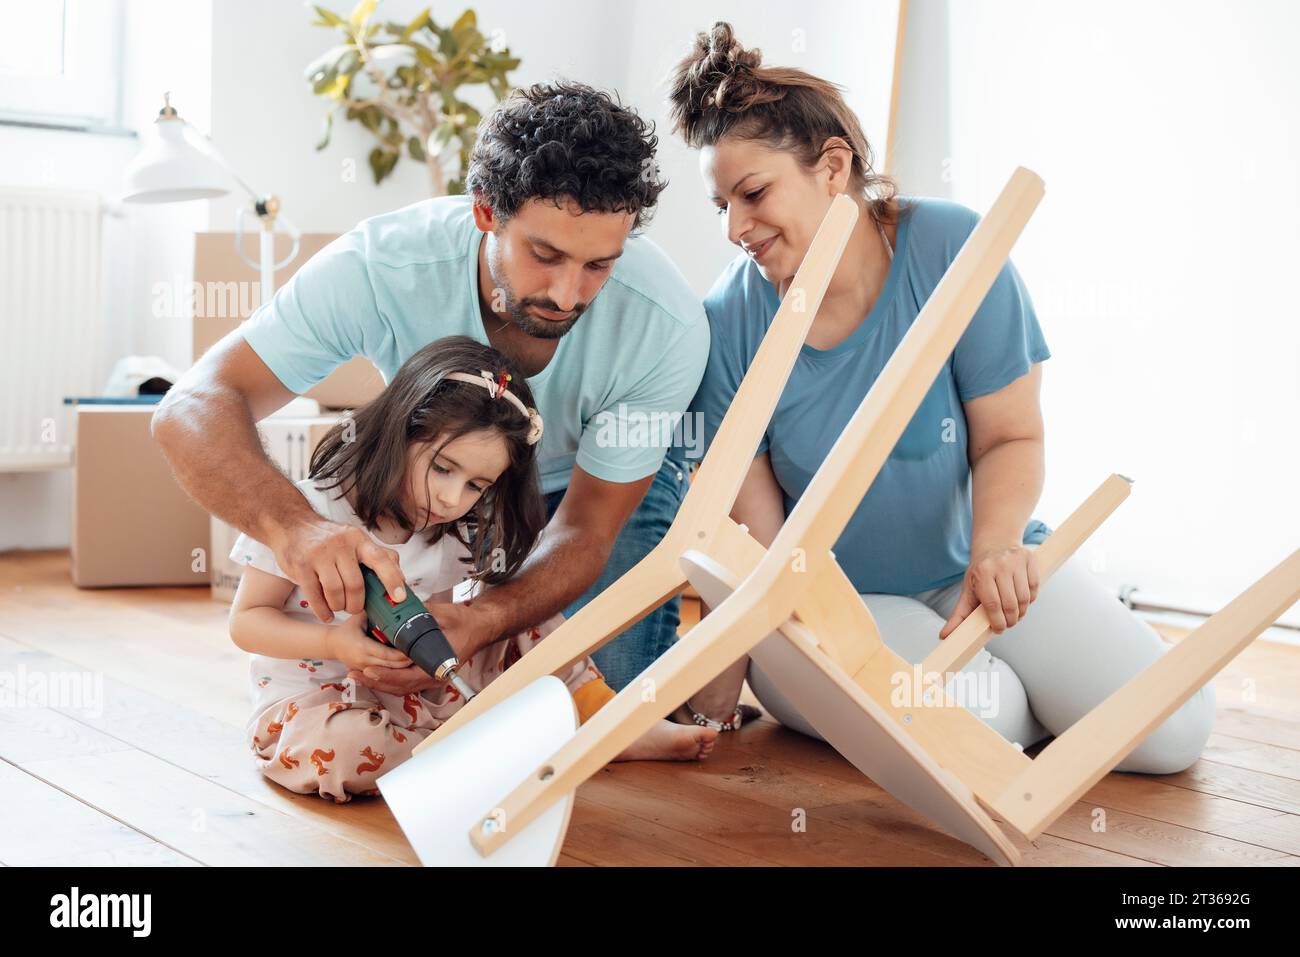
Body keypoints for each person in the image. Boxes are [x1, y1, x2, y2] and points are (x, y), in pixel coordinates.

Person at [665, 22, 1214, 773]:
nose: (734, 227)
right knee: (985, 731)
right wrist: (718, 691)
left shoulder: (953, 249)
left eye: (753, 193)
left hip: (975, 566)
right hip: (844, 608)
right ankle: (1018, 706)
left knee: (1173, 731)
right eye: (720, 205)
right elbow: (764, 550)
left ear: (833, 167)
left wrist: (996, 549)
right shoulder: (729, 323)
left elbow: (1010, 436)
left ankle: (1032, 686)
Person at [154, 82, 710, 695]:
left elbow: (589, 529)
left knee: (613, 702)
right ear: (484, 212)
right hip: (448, 499)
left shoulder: (667, 324)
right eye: (544, 254)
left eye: (599, 265)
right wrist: (296, 529)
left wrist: (483, 618)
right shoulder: (380, 267)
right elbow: (191, 404)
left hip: (590, 487)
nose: (567, 294)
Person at [228, 338, 717, 803]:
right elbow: (246, 621)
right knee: (344, 750)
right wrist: (333, 643)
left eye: (476, 485)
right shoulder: (307, 512)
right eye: (443, 468)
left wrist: (438, 662)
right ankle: (506, 744)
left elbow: (440, 619)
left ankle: (607, 722)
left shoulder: (448, 527)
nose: (451, 498)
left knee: (524, 608)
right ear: (400, 429)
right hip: (317, 706)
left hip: (412, 699)